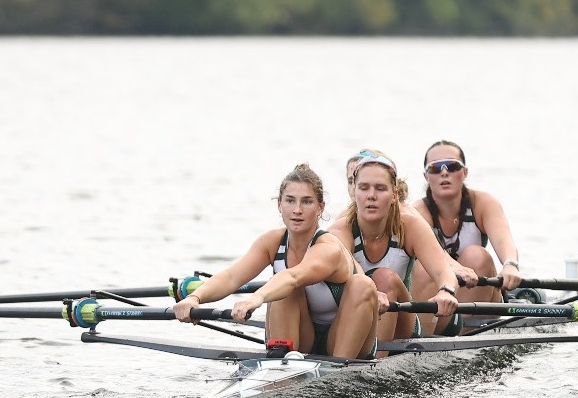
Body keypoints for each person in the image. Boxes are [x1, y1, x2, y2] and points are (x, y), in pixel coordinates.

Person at [171, 164, 383, 359]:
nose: (297, 210)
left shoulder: (328, 247)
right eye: (290, 200)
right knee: (283, 290)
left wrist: (256, 298)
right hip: (303, 338)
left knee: (361, 285)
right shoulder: (271, 242)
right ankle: (280, 364)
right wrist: (194, 298)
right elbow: (232, 276)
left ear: (320, 207)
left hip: (347, 341)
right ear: (279, 204)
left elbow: (293, 276)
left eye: (307, 201)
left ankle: (338, 371)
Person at [330, 150, 461, 345]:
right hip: (354, 319)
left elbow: (444, 272)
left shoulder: (410, 226)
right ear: (354, 191)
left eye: (380, 189)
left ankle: (376, 361)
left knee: (385, 277)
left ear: (394, 195)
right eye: (364, 188)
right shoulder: (340, 230)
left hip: (402, 320)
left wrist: (447, 291)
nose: (371, 196)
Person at [410, 140, 525, 334]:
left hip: (478, 294)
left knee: (476, 255)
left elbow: (503, 239)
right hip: (440, 299)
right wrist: (456, 269)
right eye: (435, 168)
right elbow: (433, 253)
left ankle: (465, 335)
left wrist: (510, 264)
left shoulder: (483, 203)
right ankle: (433, 335)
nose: (444, 173)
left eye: (452, 166)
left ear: (464, 173)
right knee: (422, 267)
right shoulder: (417, 212)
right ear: (426, 176)